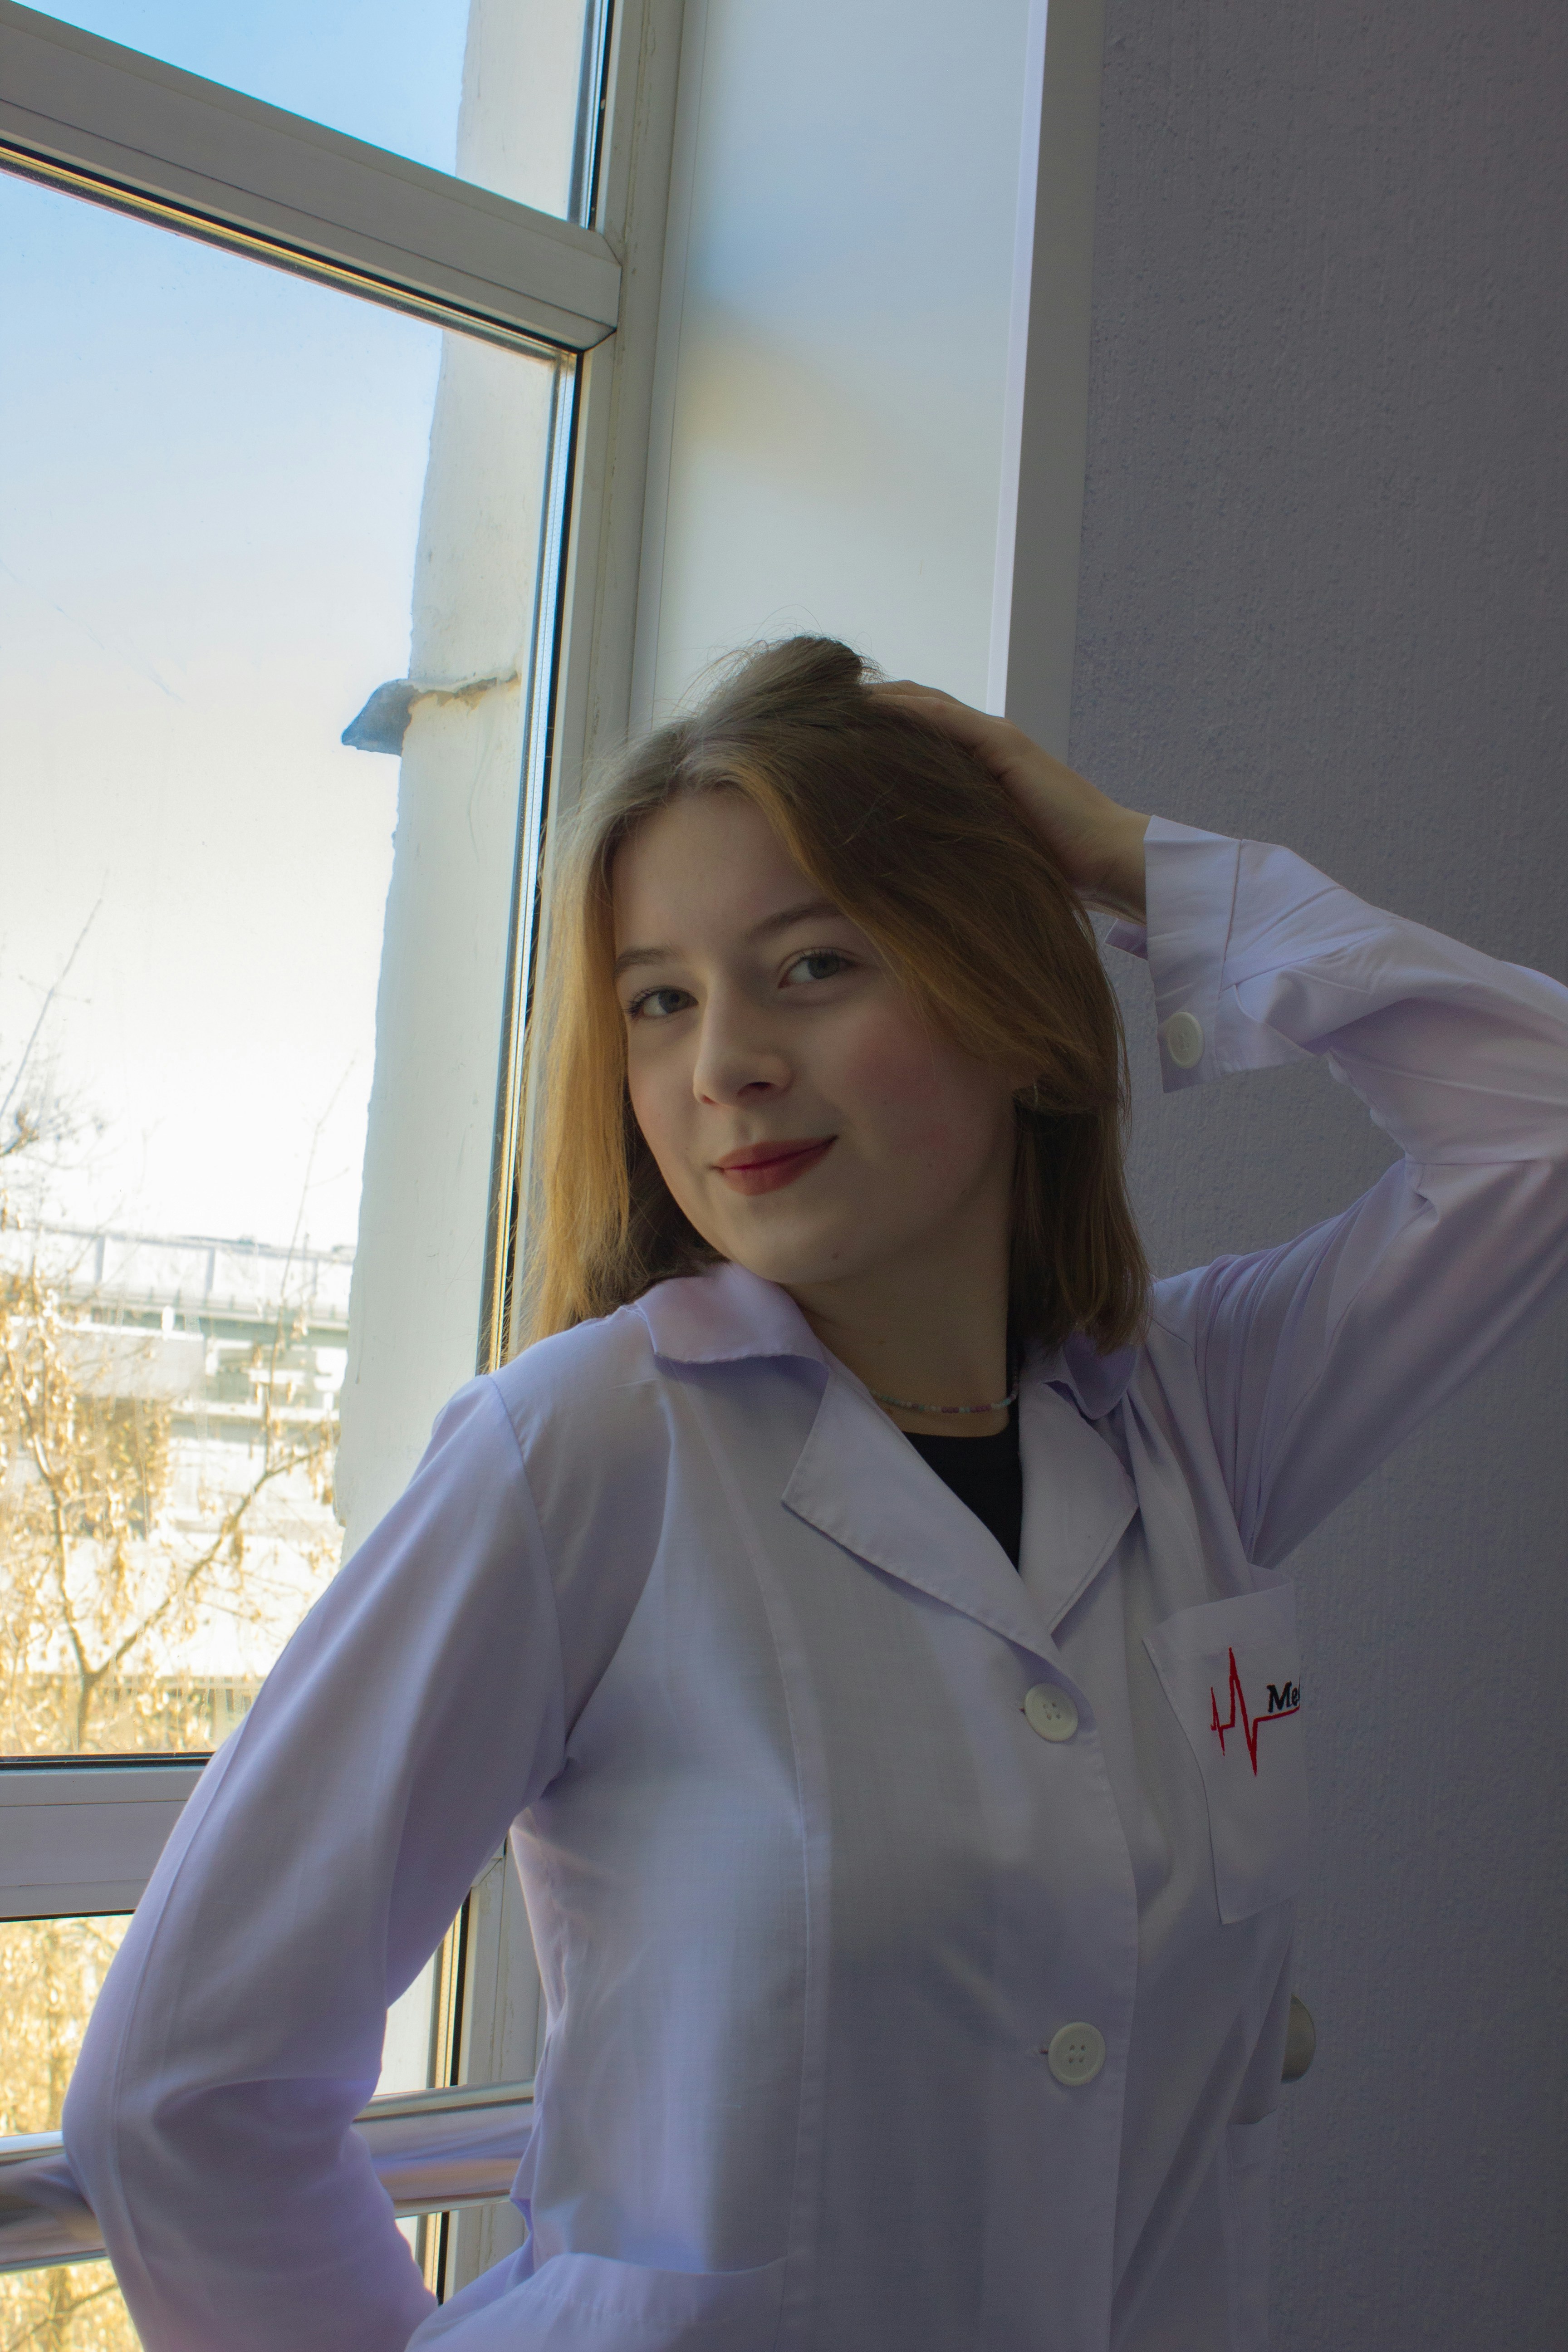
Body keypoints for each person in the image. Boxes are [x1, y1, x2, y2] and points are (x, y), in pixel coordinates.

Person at [64, 638, 1567, 2351]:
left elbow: (1538, 1124)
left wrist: (1124, 861)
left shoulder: (1192, 1419)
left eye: (814, 964)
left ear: (1012, 1001)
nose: (727, 1067)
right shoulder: (581, 1449)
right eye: (661, 1000)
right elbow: (186, 2096)